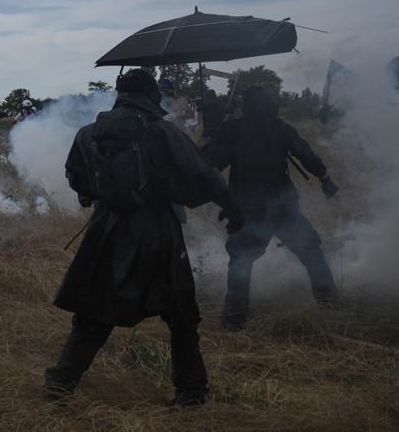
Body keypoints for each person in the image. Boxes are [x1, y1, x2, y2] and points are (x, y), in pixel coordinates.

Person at [44, 69, 242, 406]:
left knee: (94, 314)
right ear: (151, 94)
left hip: (105, 230)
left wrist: (91, 196)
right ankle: (191, 396)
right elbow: (204, 175)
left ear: (120, 93)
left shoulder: (88, 134)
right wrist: (231, 208)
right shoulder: (162, 130)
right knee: (181, 316)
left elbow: (76, 177)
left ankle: (60, 384)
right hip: (157, 231)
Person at [206, 86, 340, 331]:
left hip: (248, 207)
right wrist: (324, 178)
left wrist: (211, 142)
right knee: (311, 253)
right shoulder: (280, 128)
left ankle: (234, 320)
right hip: (282, 207)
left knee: (241, 262)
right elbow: (306, 155)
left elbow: (213, 163)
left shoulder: (232, 129)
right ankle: (331, 305)